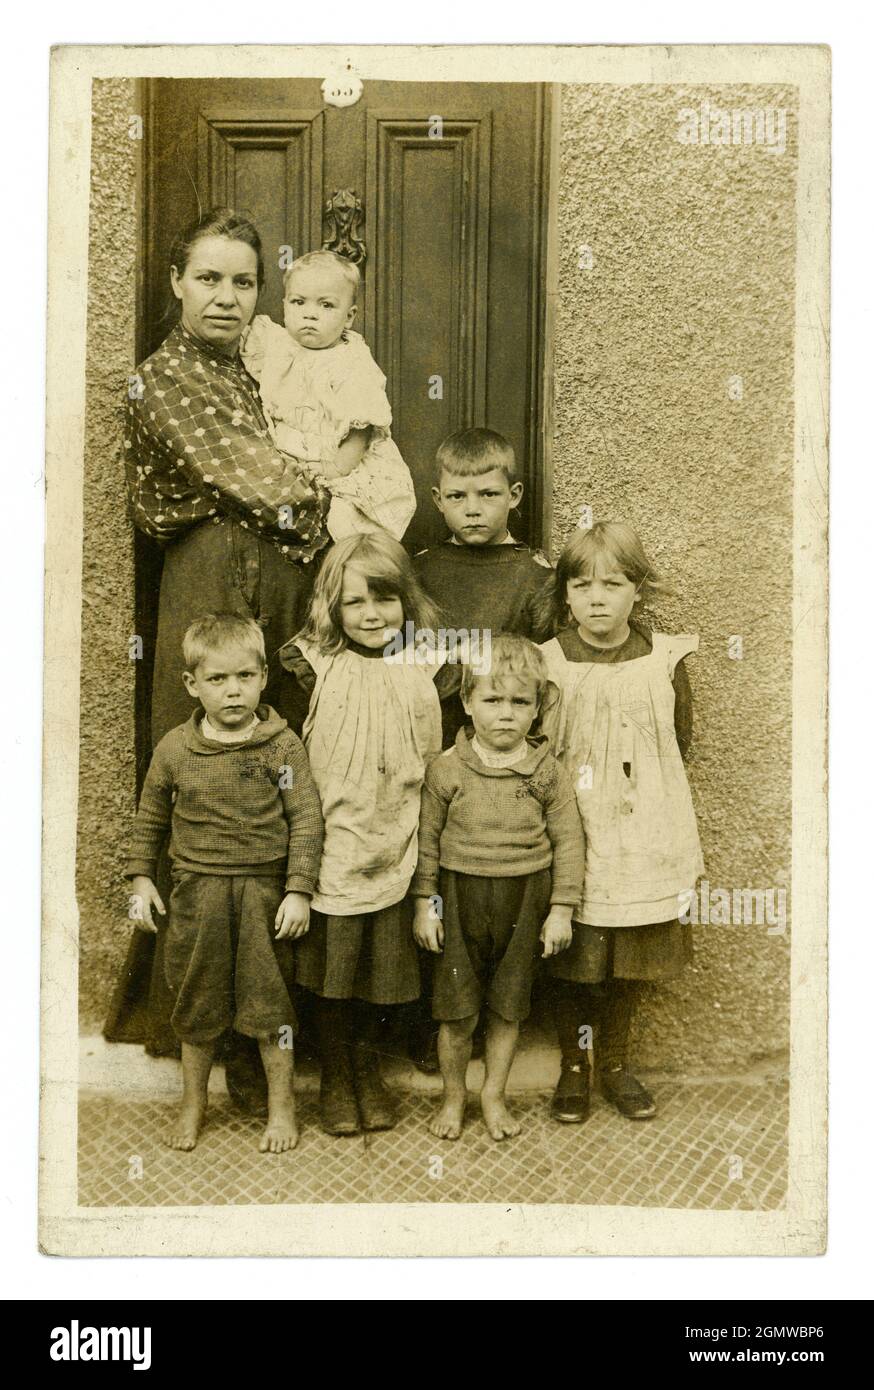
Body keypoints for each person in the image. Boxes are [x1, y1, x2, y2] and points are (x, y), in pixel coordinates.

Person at [105, 208, 331, 1101]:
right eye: (209, 278)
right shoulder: (161, 380)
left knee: (283, 785)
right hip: (206, 588)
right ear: (176, 283)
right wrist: (332, 499)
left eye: (244, 282)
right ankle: (205, 1025)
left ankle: (285, 1013)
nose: (227, 297)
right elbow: (272, 485)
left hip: (277, 588)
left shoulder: (256, 365)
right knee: (209, 789)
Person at [277, 532, 460, 1136]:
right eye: (354, 603)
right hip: (333, 839)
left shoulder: (429, 662)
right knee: (334, 968)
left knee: (386, 971)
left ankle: (368, 1069)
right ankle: (334, 1073)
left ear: (407, 598)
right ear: (332, 607)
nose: (372, 614)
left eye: (384, 598)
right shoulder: (316, 662)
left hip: (400, 836)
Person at [124, 614, 324, 1153]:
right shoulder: (175, 750)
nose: (233, 690)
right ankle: (193, 1104)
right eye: (217, 679)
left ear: (263, 678)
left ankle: (282, 1107)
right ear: (192, 684)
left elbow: (305, 817)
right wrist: (141, 879)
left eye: (244, 676)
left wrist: (299, 888)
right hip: (199, 895)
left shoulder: (281, 748)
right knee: (198, 1001)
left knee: (270, 1004)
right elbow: (149, 819)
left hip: (264, 895)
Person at [536, 521, 704, 1124]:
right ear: (565, 596)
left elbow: (677, 740)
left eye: (613, 583)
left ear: (639, 590)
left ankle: (614, 1062)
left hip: (643, 827)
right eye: (581, 585)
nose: (597, 597)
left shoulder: (663, 660)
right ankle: (574, 1065)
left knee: (628, 956)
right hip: (574, 827)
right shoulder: (549, 662)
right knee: (577, 956)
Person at [407, 427, 554, 1071]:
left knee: (493, 895)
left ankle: (502, 1017)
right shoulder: (422, 570)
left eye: (489, 494)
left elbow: (546, 667)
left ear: (514, 496)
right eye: (459, 495)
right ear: (436, 499)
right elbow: (402, 651)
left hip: (502, 757)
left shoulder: (532, 575)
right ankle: (434, 1019)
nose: (473, 508)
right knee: (434, 877)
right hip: (432, 745)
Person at [411, 635, 585, 1141]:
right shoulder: (445, 769)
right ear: (467, 702)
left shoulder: (547, 773)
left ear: (538, 708)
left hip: (524, 899)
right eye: (492, 700)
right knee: (458, 1011)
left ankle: (493, 1094)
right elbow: (426, 842)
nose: (505, 714)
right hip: (460, 898)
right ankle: (452, 1096)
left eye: (520, 702)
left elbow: (568, 841)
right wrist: (427, 905)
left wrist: (561, 910)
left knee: (508, 1008)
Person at [241, 250, 416, 543]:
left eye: (326, 305)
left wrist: (336, 469)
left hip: (344, 460)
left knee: (346, 524)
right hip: (292, 458)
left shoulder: (351, 361)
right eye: (298, 302)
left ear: (349, 317)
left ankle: (359, 567)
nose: (310, 314)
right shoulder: (276, 344)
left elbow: (362, 429)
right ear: (284, 305)